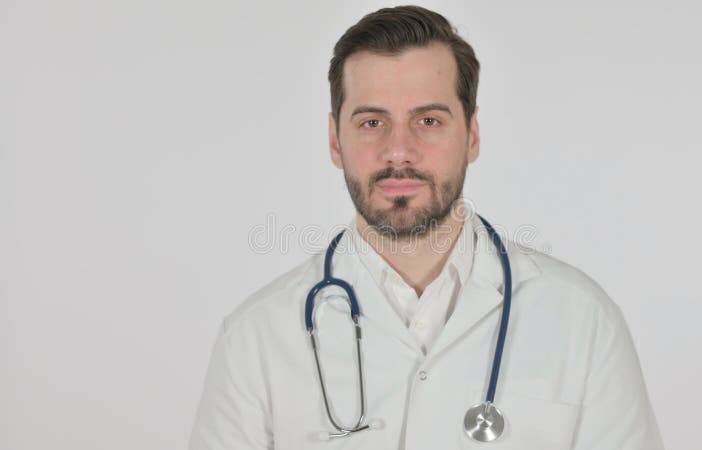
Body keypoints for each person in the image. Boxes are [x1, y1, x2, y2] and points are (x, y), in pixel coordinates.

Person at [189, 5, 665, 450]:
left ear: (472, 135)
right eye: (372, 122)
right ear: (335, 140)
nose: (399, 150)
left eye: (429, 120)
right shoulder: (256, 338)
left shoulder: (583, 323)